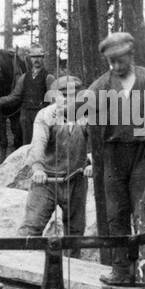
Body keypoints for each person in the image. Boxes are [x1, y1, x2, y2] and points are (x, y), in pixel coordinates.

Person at [87, 31, 145, 284]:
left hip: (143, 154)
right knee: (116, 213)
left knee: (144, 212)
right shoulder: (102, 84)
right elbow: (83, 110)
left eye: (120, 60)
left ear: (131, 55)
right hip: (113, 155)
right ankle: (121, 270)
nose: (116, 66)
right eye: (111, 62)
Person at [18, 76, 93, 237]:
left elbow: (98, 142)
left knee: (75, 232)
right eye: (64, 95)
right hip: (47, 180)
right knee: (30, 229)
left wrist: (92, 162)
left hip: (75, 179)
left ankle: (73, 259)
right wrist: (38, 168)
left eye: (74, 96)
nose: (69, 100)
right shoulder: (45, 116)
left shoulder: (87, 116)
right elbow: (38, 143)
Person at [0, 43, 54, 146]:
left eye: (39, 57)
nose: (36, 60)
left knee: (41, 145)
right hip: (25, 117)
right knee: (26, 145)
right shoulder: (24, 77)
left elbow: (54, 102)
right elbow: (14, 96)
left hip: (41, 116)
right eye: (33, 57)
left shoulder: (49, 78)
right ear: (30, 59)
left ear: (43, 58)